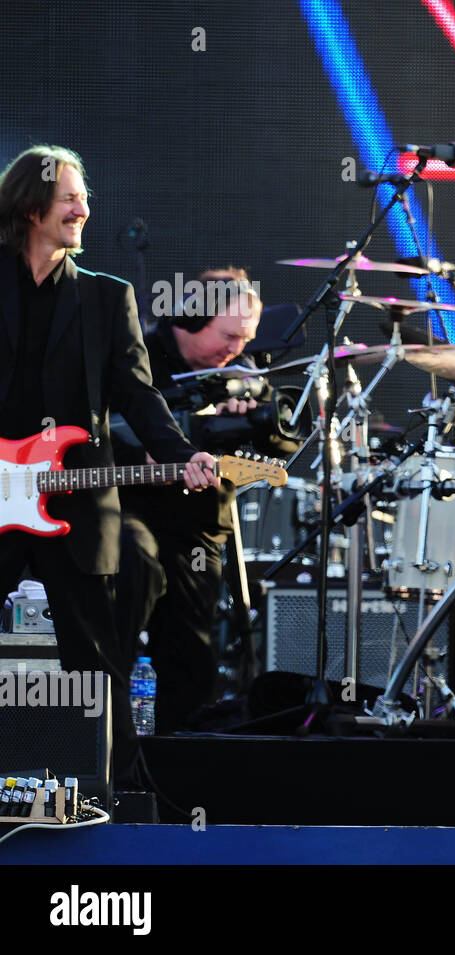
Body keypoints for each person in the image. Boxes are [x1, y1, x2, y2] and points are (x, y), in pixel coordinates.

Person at [0, 145, 218, 777]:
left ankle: (110, 796)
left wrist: (179, 454)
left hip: (76, 500)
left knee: (95, 660)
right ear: (29, 204)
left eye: (83, 196)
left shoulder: (105, 297)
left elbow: (136, 393)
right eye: (69, 196)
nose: (82, 208)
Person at [114, 267, 262, 733]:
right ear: (190, 320)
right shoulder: (133, 350)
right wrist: (143, 451)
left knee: (192, 650)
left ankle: (181, 761)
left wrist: (248, 421)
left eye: (247, 337)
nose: (238, 348)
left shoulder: (240, 373)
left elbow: (275, 447)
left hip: (196, 524)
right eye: (230, 334)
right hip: (126, 511)